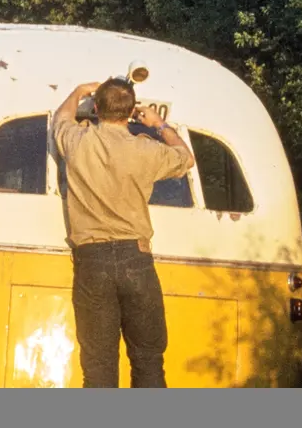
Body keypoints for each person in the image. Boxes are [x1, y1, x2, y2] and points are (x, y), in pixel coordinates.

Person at [51, 77, 196, 388]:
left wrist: (78, 92)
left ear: (98, 108)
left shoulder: (78, 141)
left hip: (91, 261)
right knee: (148, 361)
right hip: (136, 259)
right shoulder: (146, 150)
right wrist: (159, 124)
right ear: (131, 112)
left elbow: (60, 119)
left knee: (99, 367)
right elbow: (186, 158)